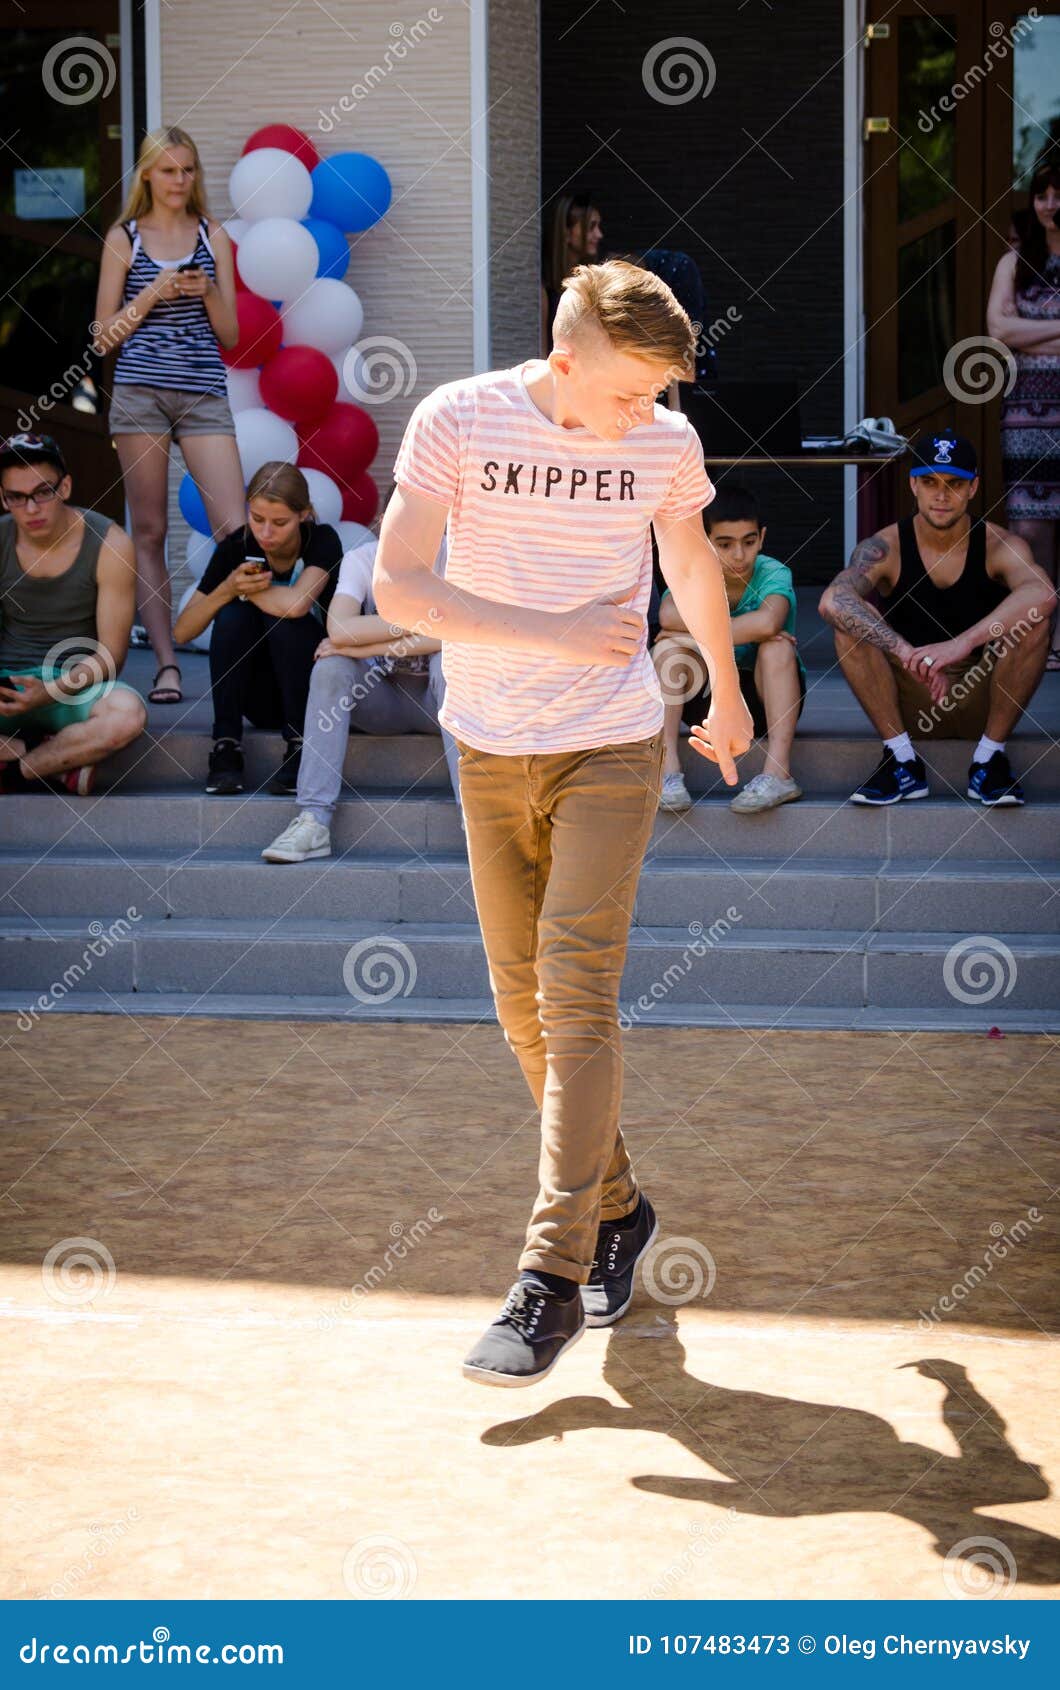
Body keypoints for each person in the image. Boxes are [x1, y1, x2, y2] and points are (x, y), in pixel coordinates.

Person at [373, 258, 752, 1387]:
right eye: (631, 390)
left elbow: (689, 558)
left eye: (660, 393)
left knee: (575, 989)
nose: (648, 412)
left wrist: (728, 691)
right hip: (488, 742)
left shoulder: (663, 443)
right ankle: (619, 1209)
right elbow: (398, 585)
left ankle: (551, 1273)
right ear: (563, 358)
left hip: (612, 744)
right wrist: (551, 630)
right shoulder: (459, 418)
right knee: (518, 1006)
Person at [818, 431, 1056, 807]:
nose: (941, 495)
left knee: (1036, 619)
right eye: (929, 482)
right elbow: (833, 601)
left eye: (954, 484)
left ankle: (989, 759)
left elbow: (1043, 593)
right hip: (911, 695)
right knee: (849, 622)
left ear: (973, 487)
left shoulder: (999, 545)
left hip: (984, 695)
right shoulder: (885, 546)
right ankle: (901, 760)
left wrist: (961, 644)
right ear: (913, 485)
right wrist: (905, 651)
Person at [93, 125, 244, 706]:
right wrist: (152, 292)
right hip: (140, 395)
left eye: (188, 169)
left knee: (235, 532)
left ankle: (237, 656)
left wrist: (207, 292)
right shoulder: (124, 237)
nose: (180, 180)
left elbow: (231, 335)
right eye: (169, 170)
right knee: (150, 532)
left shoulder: (212, 234)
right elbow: (103, 336)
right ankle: (166, 665)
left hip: (202, 392)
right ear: (148, 175)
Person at [261, 526, 459, 864]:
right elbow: (339, 629)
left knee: (452, 660)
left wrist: (364, 645)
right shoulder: (363, 559)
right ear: (385, 523)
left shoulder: (457, 557)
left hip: (437, 702)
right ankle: (313, 820)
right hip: (380, 699)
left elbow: (458, 635)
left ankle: (475, 821)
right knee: (331, 667)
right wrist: (424, 624)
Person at [173, 462, 343, 796]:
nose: (265, 533)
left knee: (284, 621)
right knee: (233, 615)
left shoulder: (321, 539)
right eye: (257, 518)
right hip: (258, 696)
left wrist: (248, 592)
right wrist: (227, 589)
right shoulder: (237, 546)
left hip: (314, 695)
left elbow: (297, 604)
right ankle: (226, 745)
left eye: (279, 523)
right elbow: (182, 632)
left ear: (303, 515)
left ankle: (300, 744)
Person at [0, 433, 146, 796]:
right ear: (3, 498)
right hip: (8, 685)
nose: (30, 509)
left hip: (73, 684)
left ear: (64, 487)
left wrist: (49, 692)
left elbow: (111, 656)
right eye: (16, 497)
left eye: (42, 492)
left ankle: (16, 770)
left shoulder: (111, 543)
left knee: (127, 714)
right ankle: (55, 762)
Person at [652, 483, 805, 813]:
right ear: (705, 541)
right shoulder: (693, 572)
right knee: (669, 651)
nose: (738, 554)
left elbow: (769, 622)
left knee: (777, 648)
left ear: (761, 537)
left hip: (765, 703)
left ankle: (778, 773)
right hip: (707, 708)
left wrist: (694, 630)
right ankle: (667, 769)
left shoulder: (773, 572)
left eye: (748, 542)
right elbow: (667, 615)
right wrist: (750, 630)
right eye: (725, 544)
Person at [988, 153, 1060, 668]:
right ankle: (1042, 637)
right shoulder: (1014, 262)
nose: (1050, 204)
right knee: (1032, 530)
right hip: (1027, 417)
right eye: (1042, 195)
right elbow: (999, 330)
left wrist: (1028, 334)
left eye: (1059, 195)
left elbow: (1016, 331)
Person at [540, 191, 603, 356]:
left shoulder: (594, 282)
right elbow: (542, 354)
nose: (599, 234)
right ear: (566, 233)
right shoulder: (545, 292)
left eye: (598, 226)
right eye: (590, 227)